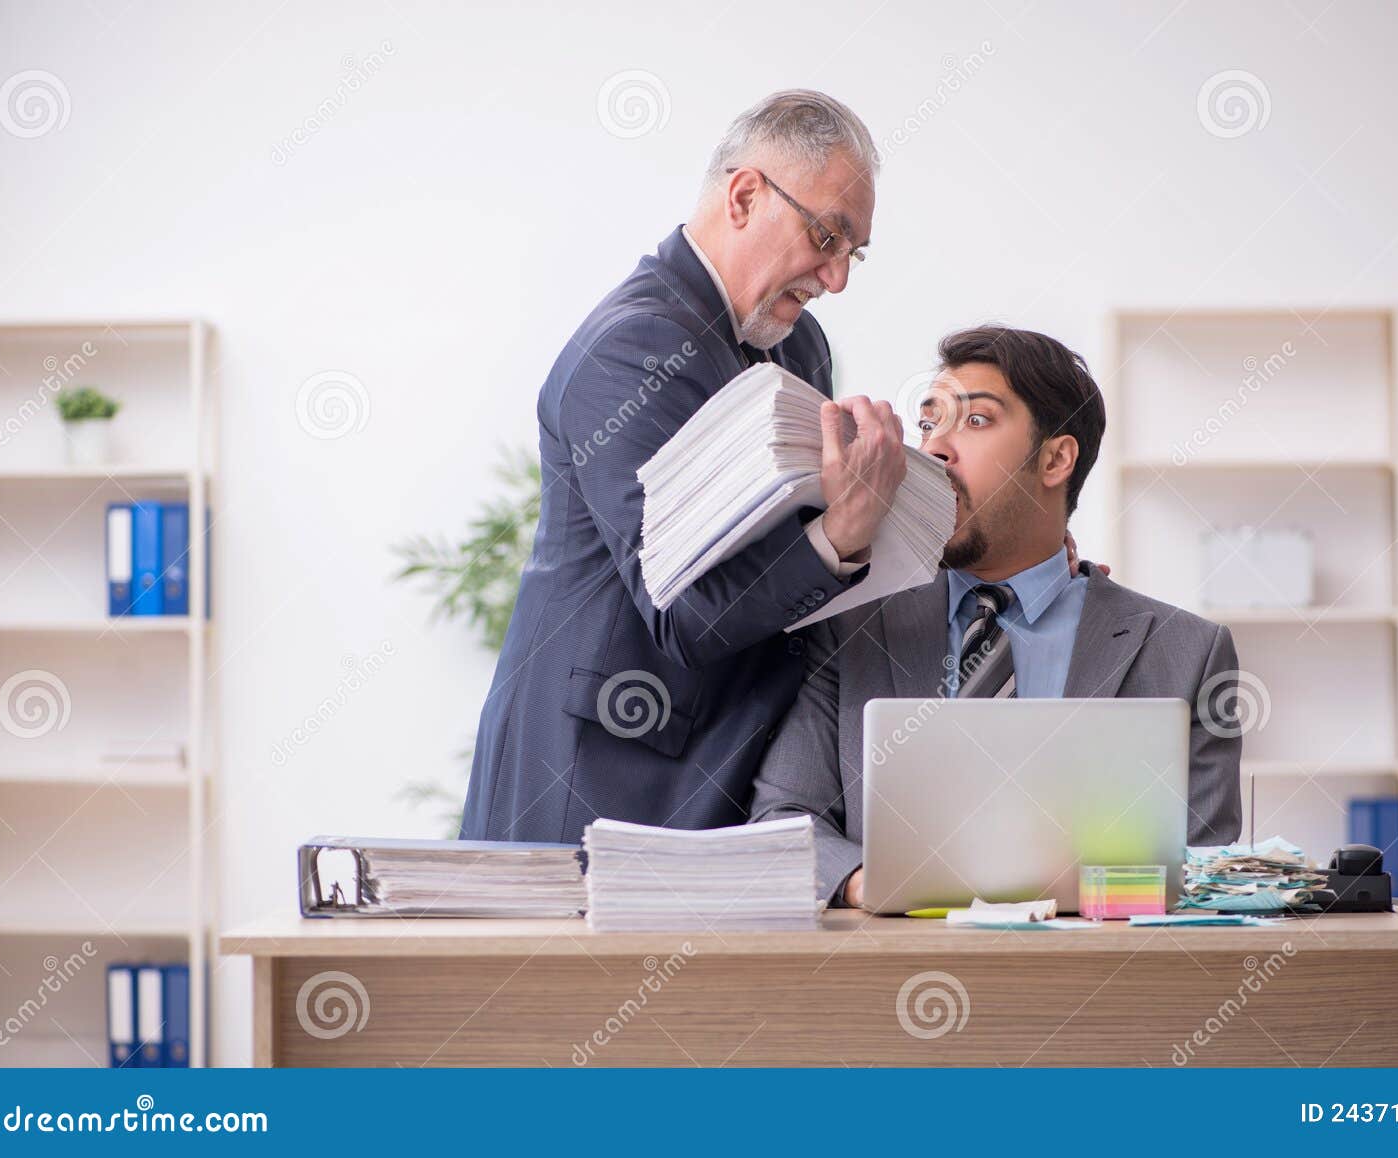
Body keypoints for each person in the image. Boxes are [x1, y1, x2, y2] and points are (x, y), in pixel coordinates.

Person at [461, 91, 909, 843]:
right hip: (603, 780)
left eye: (853, 253)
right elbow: (683, 613)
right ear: (744, 197)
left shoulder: (800, 347)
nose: (836, 279)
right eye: (827, 236)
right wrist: (841, 533)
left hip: (733, 768)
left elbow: (795, 563)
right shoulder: (629, 349)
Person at [748, 326, 1244, 906]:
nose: (934, 449)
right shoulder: (850, 627)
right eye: (929, 424)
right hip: (892, 957)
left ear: (1055, 459)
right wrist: (874, 884)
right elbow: (784, 819)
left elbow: (1201, 878)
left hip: (1092, 961)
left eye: (976, 420)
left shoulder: (1188, 653)